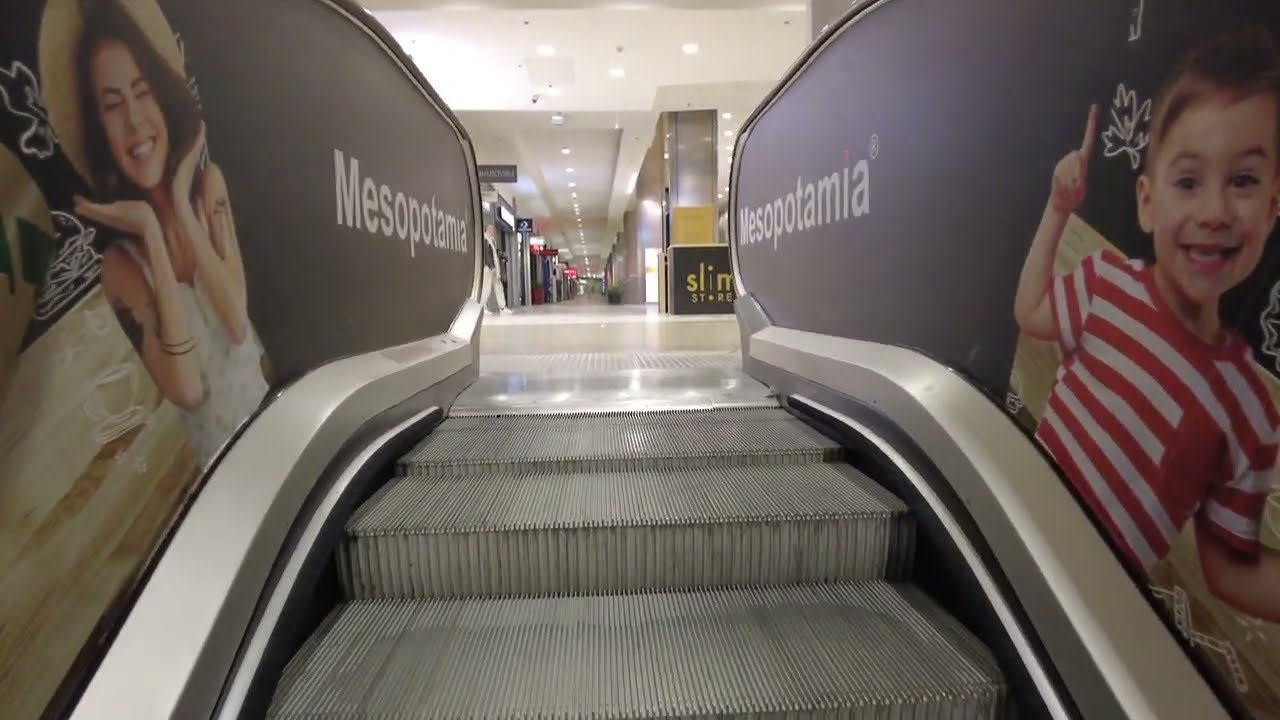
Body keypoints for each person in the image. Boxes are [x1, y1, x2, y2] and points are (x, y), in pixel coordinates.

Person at [1014, 27, 1280, 621]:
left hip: (1097, 620)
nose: (1214, 212)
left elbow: (1229, 570)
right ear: (1147, 200)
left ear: (1271, 208)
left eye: (1242, 181)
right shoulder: (1104, 283)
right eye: (1188, 181)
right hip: (1013, 546)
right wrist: (1058, 211)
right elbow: (1030, 314)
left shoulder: (1249, 411)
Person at [43, 0, 268, 467]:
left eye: (142, 92)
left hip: (275, 436)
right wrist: (150, 234)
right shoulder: (123, 265)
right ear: (98, 128)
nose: (135, 120)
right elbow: (186, 389)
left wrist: (184, 211)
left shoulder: (209, 191)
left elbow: (237, 321)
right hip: (221, 480)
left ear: (162, 98)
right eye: (112, 104)